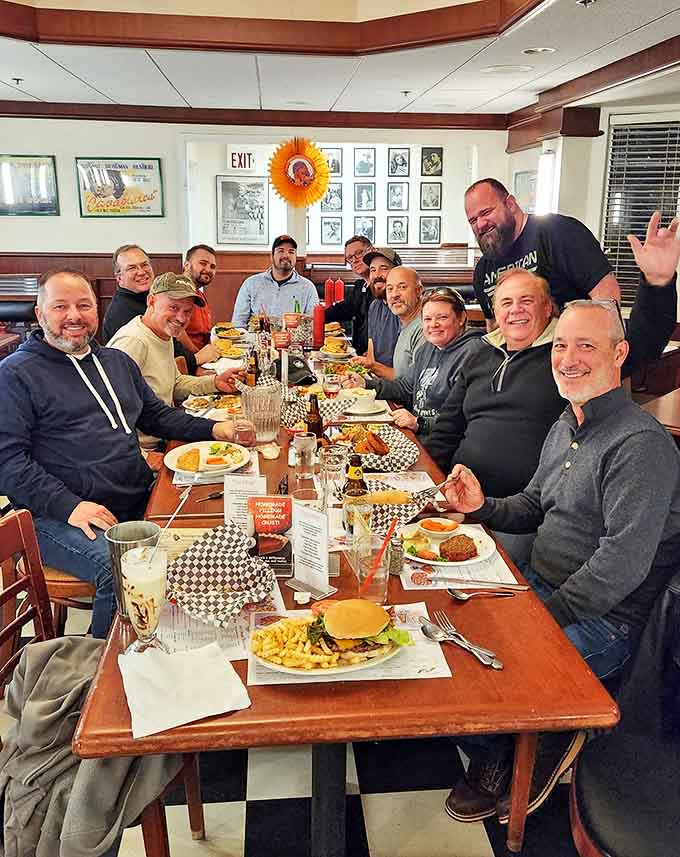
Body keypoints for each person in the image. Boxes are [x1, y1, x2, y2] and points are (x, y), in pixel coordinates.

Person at [442, 298, 680, 826]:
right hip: (540, 590)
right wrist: (480, 507)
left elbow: (620, 565)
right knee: (447, 644)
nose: (569, 358)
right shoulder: (566, 423)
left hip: (604, 622)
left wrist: (541, 621)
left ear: (620, 354)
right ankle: (517, 734)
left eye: (587, 346)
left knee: (490, 674)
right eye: (563, 345)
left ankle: (535, 737)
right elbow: (532, 504)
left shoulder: (641, 445)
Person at [0, 269, 252, 640]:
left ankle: (174, 642)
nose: (74, 315)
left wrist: (214, 429)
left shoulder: (115, 362)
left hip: (133, 495)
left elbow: (154, 415)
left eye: (84, 305)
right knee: (123, 572)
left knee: (219, 532)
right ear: (39, 315)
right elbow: (8, 463)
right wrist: (70, 506)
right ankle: (99, 678)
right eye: (60, 307)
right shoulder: (15, 374)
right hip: (58, 516)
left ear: (96, 311)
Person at [426, 210, 678, 559]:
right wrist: (427, 489)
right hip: (463, 500)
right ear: (495, 311)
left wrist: (658, 283)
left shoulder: (564, 357)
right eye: (506, 303)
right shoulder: (479, 354)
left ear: (548, 309)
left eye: (527, 301)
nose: (515, 311)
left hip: (521, 515)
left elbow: (639, 345)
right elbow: (447, 428)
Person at [107, 272, 245, 449]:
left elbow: (175, 383)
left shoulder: (163, 333)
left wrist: (216, 383)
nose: (181, 318)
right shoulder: (132, 342)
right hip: (146, 448)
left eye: (187, 312)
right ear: (151, 301)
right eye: (173, 308)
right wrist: (144, 458)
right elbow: (109, 413)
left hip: (167, 432)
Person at [465, 178, 621, 324]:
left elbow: (606, 296)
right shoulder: (483, 271)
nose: (480, 224)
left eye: (486, 212)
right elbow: (494, 327)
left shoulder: (559, 232)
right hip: (517, 351)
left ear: (510, 204)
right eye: (473, 220)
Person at [342, 287, 482, 438]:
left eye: (442, 317)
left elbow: (468, 419)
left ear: (461, 318)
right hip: (420, 437)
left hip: (443, 447)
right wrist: (365, 384)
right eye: (427, 319)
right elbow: (405, 388)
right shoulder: (427, 349)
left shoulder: (474, 354)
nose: (433, 324)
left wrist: (419, 423)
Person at [101, 244, 214, 372]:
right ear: (119, 279)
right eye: (132, 268)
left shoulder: (149, 296)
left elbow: (170, 345)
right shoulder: (122, 315)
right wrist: (196, 359)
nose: (141, 272)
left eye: (144, 265)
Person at [232, 235, 318, 327]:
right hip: (255, 339)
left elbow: (312, 324)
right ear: (271, 256)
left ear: (295, 258)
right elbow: (238, 323)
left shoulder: (308, 287)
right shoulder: (250, 284)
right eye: (281, 251)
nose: (286, 255)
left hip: (293, 340)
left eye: (291, 252)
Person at [352, 247, 401, 372]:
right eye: (373, 270)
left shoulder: (404, 309)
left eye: (384, 268)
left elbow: (407, 377)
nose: (377, 275)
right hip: (377, 379)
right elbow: (371, 353)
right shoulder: (375, 306)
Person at [324, 235, 373, 354]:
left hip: (378, 359)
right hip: (358, 355)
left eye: (359, 253)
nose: (355, 260)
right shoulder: (360, 286)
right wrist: (315, 317)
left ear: (371, 251)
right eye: (350, 258)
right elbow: (342, 309)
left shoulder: (385, 288)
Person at [178, 244, 219, 354]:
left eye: (212, 267)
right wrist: (199, 356)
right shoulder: (178, 291)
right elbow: (178, 333)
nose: (208, 270)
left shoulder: (200, 294)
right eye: (203, 263)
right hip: (189, 360)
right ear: (186, 265)